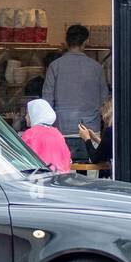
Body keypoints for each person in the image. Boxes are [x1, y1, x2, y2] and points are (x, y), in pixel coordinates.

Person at [43, 24, 108, 162]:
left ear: (66, 42)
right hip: (90, 129)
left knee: (64, 172)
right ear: (85, 42)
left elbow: (46, 102)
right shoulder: (96, 68)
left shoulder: (55, 66)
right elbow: (105, 101)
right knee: (91, 176)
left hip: (61, 129)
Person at [19, 99, 72, 172]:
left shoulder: (31, 133)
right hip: (59, 175)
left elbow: (21, 157)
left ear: (35, 114)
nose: (25, 117)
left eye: (28, 114)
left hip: (38, 176)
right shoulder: (57, 133)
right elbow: (67, 157)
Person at [76, 97, 115, 169]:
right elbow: (110, 148)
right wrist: (96, 139)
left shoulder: (110, 131)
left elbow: (95, 158)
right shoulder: (116, 130)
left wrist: (87, 139)